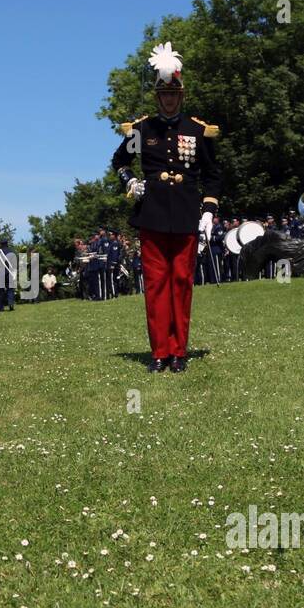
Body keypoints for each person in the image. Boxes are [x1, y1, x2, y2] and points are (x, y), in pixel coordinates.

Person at [111, 41, 221, 373]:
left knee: (182, 282)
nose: (169, 99)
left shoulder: (199, 131)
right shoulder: (142, 130)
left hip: (187, 214)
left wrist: (208, 212)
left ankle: (179, 352)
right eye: (164, 94)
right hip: (153, 215)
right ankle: (159, 353)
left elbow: (214, 175)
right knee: (157, 285)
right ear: (158, 96)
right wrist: (130, 181)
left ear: (180, 95)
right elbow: (119, 161)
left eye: (174, 94)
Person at [0, 239, 16, 311]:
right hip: (9, 272)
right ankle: (10, 303)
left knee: (0, 291)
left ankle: (1, 307)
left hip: (1, 273)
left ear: (1, 244)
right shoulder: (11, 251)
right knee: (10, 289)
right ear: (7, 244)